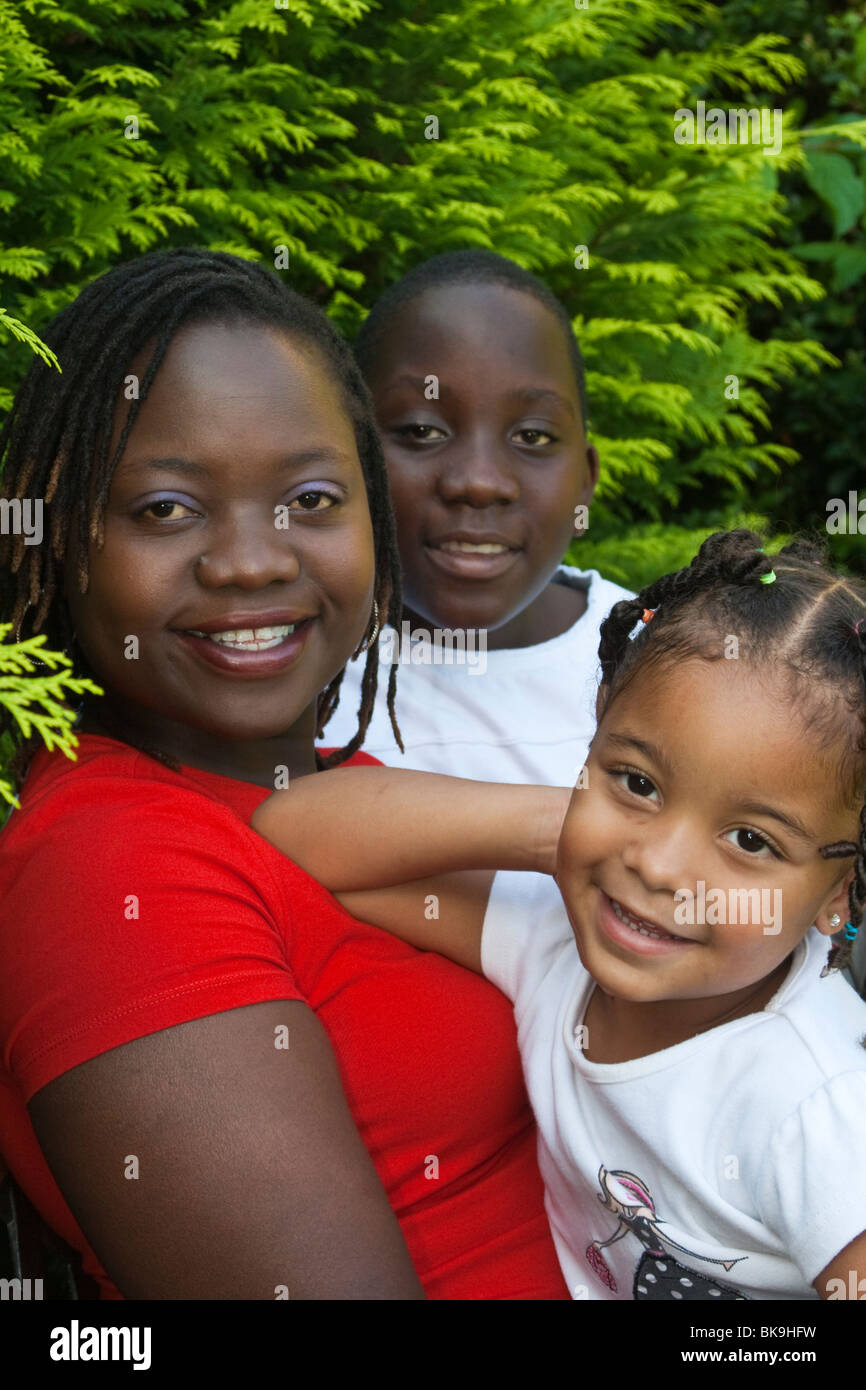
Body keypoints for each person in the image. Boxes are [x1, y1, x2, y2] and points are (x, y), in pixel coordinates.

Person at [0, 248, 570, 1300]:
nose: (252, 561)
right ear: (56, 540)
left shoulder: (350, 789)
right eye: (165, 510)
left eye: (310, 498)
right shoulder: (107, 863)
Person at [254, 529, 866, 1301]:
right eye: (637, 780)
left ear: (839, 893)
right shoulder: (559, 941)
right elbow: (299, 834)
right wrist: (578, 832)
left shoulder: (820, 1107)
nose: (659, 864)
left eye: (751, 840)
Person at [323, 250, 633, 784]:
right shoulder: (294, 664)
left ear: (585, 480)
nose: (479, 482)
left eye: (532, 437)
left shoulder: (656, 661)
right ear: (350, 454)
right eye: (421, 431)